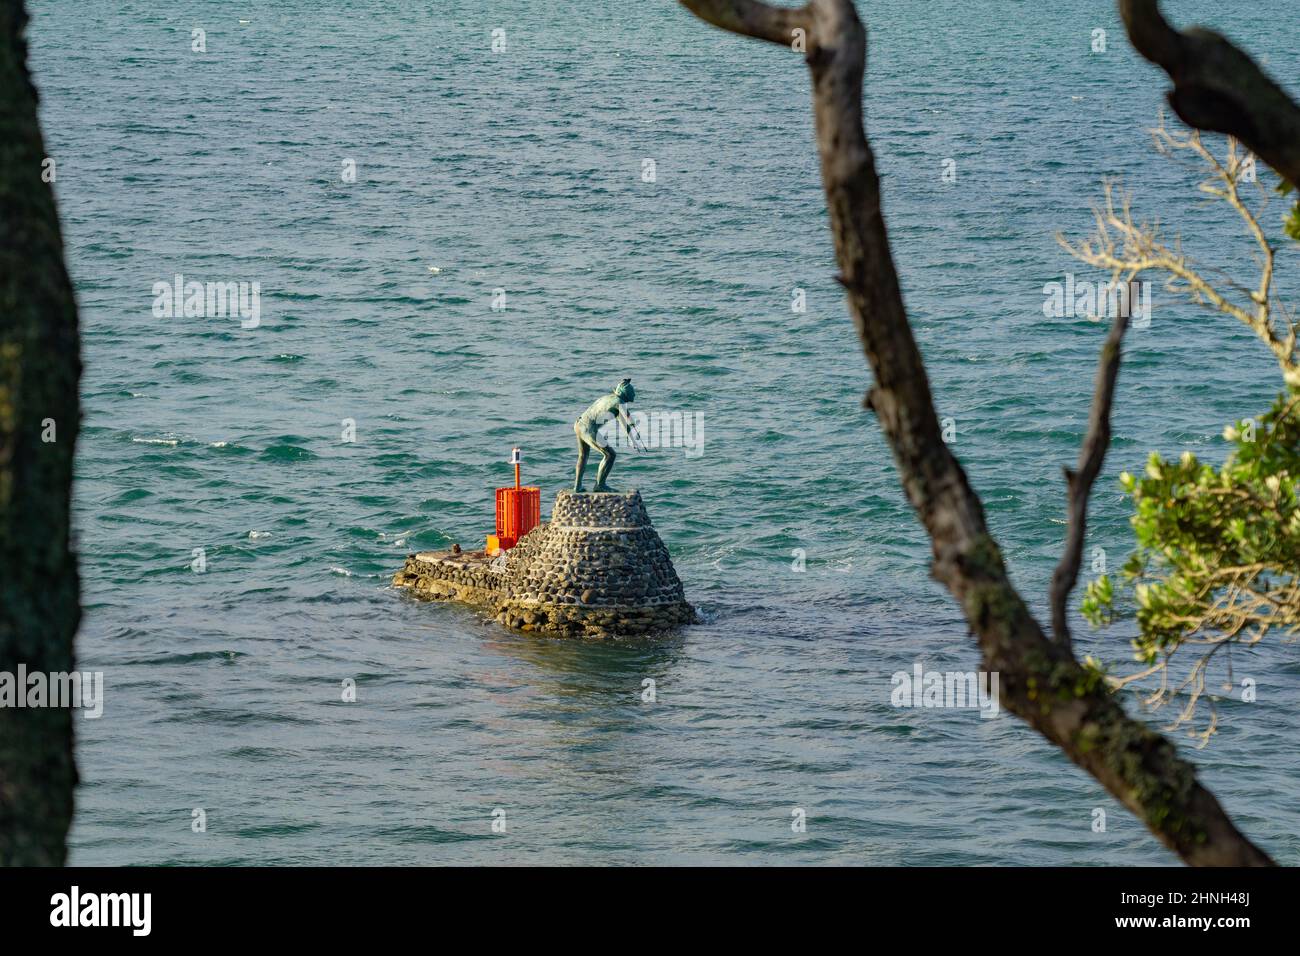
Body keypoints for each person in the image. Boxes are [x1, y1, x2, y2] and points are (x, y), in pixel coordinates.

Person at [573, 378, 637, 492]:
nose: (634, 395)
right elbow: (626, 421)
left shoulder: (608, 398)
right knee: (610, 455)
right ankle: (600, 485)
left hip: (578, 424)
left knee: (583, 455)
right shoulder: (620, 403)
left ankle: (577, 487)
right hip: (588, 428)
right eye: (632, 393)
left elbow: (624, 421)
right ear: (626, 394)